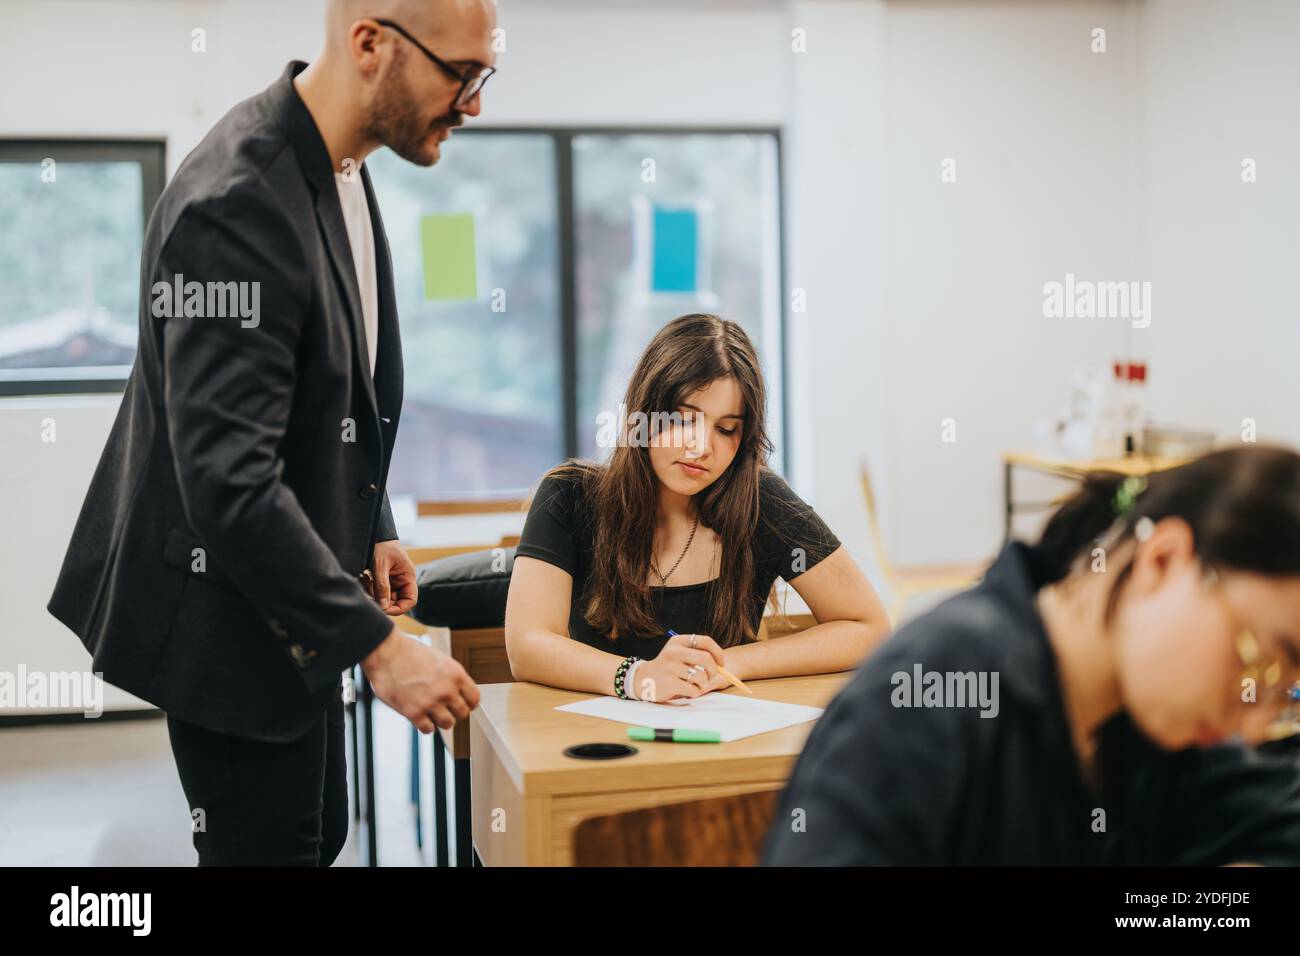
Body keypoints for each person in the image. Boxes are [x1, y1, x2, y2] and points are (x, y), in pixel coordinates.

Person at [46, 0, 497, 866]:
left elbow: (332, 394)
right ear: (371, 44)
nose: (474, 103)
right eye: (463, 74)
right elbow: (230, 483)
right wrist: (381, 651)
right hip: (226, 622)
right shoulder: (239, 203)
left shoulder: (341, 169)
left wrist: (375, 526)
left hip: (297, 599)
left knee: (318, 834)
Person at [764, 446, 1300, 865]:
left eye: (1285, 694)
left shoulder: (1157, 727)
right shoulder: (934, 693)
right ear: (1162, 561)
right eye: (1258, 663)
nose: (1252, 728)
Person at [505, 314, 891, 702]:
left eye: (726, 429)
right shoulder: (569, 496)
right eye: (685, 419)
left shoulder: (761, 502)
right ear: (644, 412)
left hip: (715, 745)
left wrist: (727, 665)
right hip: (592, 748)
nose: (702, 447)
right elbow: (528, 645)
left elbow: (867, 627)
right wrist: (639, 677)